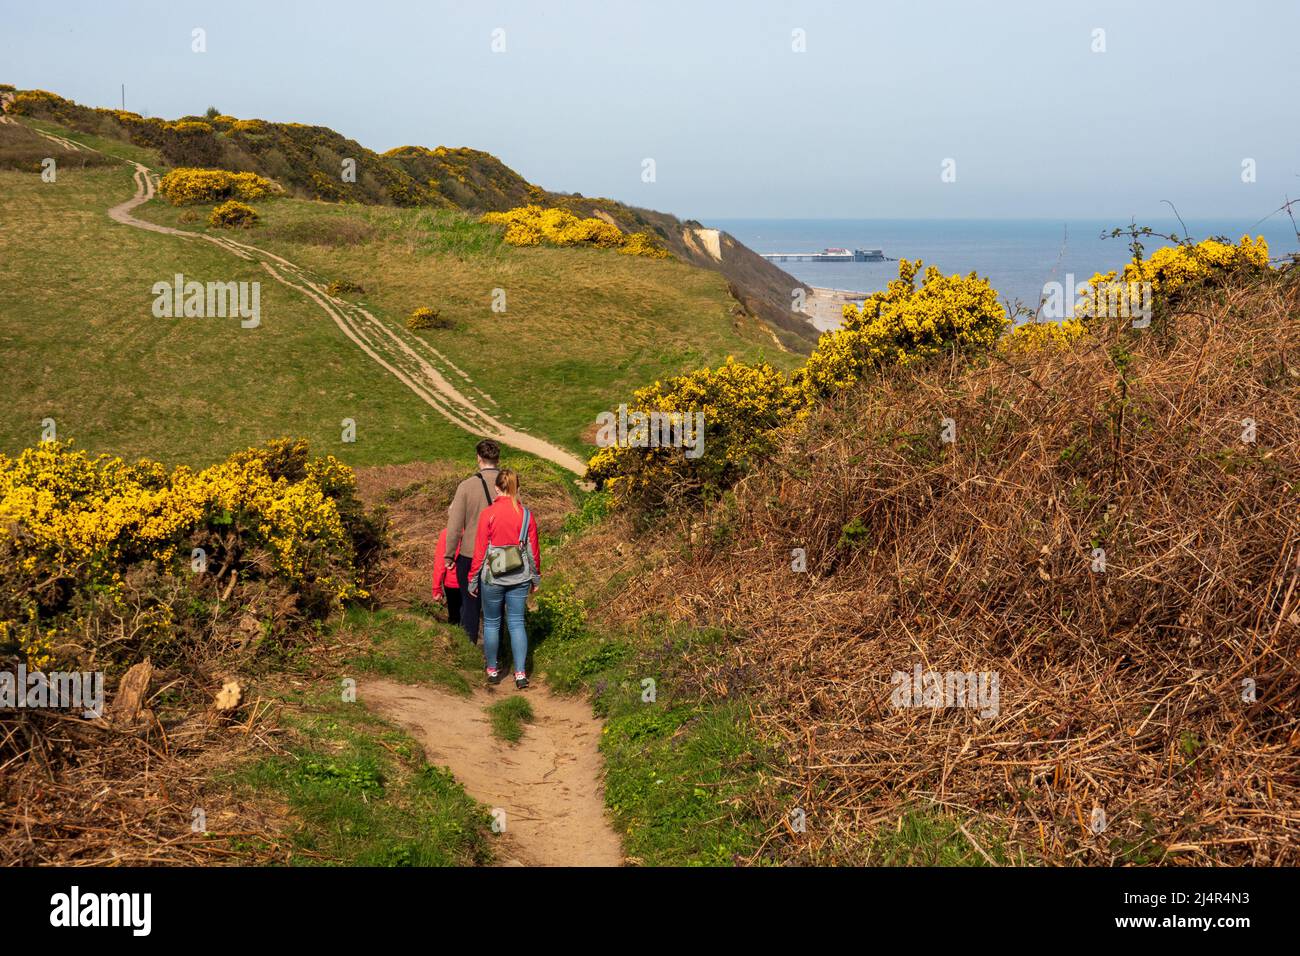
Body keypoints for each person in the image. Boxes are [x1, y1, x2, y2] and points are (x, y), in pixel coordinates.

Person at [467, 468, 541, 689]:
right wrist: (535, 578)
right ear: (516, 488)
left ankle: (492, 669)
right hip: (520, 576)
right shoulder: (526, 514)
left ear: (496, 488)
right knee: (517, 623)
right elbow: (533, 550)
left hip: (493, 577)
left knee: (491, 623)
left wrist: (472, 578)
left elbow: (480, 551)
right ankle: (520, 674)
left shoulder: (488, 514)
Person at [445, 439, 500, 644]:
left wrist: (449, 555)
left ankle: (470, 649)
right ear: (498, 458)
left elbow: (454, 525)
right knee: (496, 606)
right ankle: (498, 652)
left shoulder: (466, 486)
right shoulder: (509, 484)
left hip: (470, 554)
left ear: (478, 458)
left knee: (469, 605)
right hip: (500, 554)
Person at [432, 527, 461, 624]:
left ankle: (456, 637)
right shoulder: (473, 531)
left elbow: (440, 562)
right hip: (471, 581)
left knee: (454, 617)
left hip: (452, 581)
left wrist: (436, 588)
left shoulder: (446, 533)